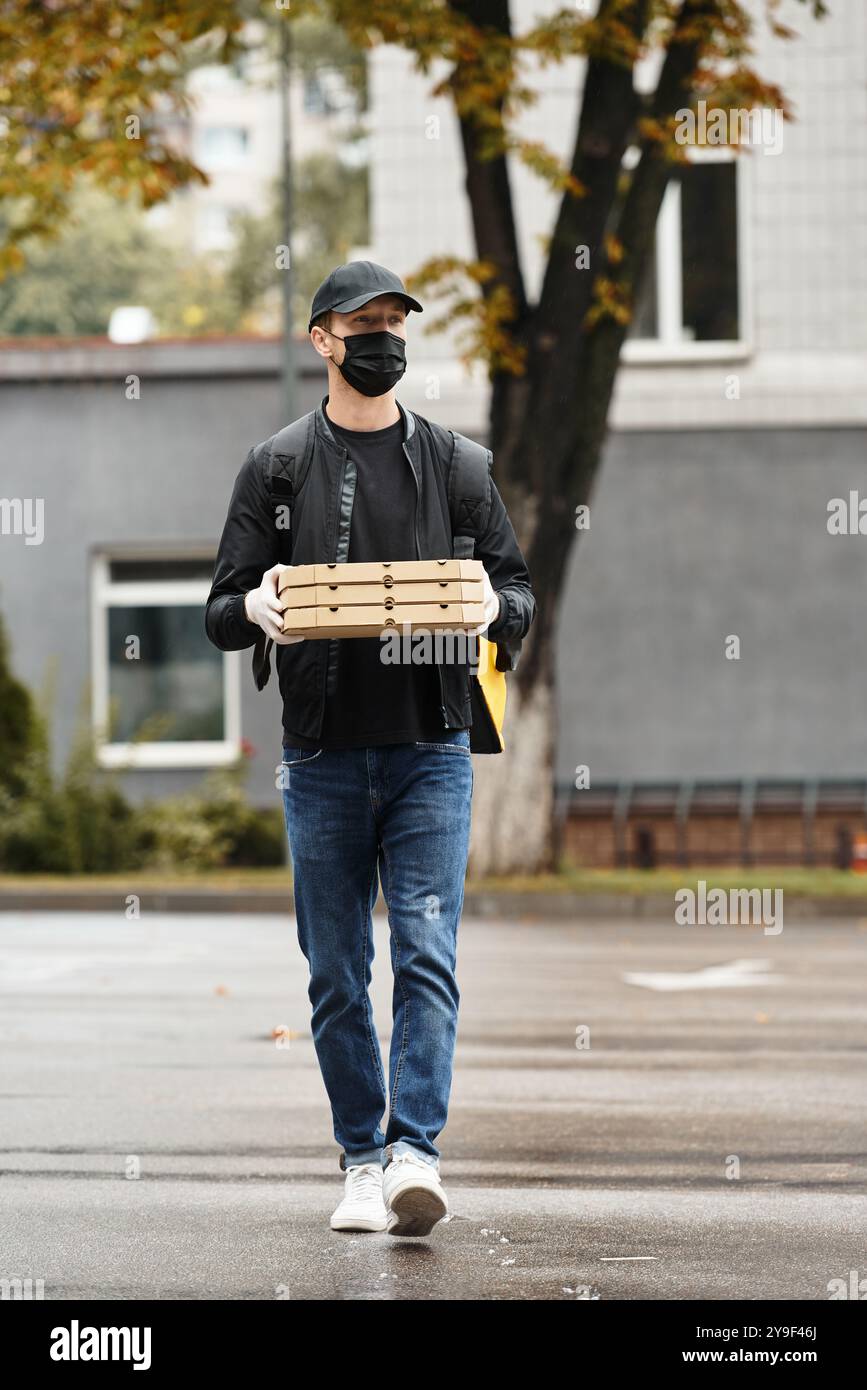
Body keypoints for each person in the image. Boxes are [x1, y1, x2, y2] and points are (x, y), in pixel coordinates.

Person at [205, 261, 536, 1237]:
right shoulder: (276, 468)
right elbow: (222, 607)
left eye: (395, 321)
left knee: (426, 952)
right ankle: (359, 1158)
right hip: (321, 757)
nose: (383, 336)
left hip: (430, 748)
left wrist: (490, 606)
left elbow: (518, 596)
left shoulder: (459, 468)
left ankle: (414, 1156)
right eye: (364, 322)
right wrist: (259, 608)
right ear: (322, 339)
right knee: (338, 968)